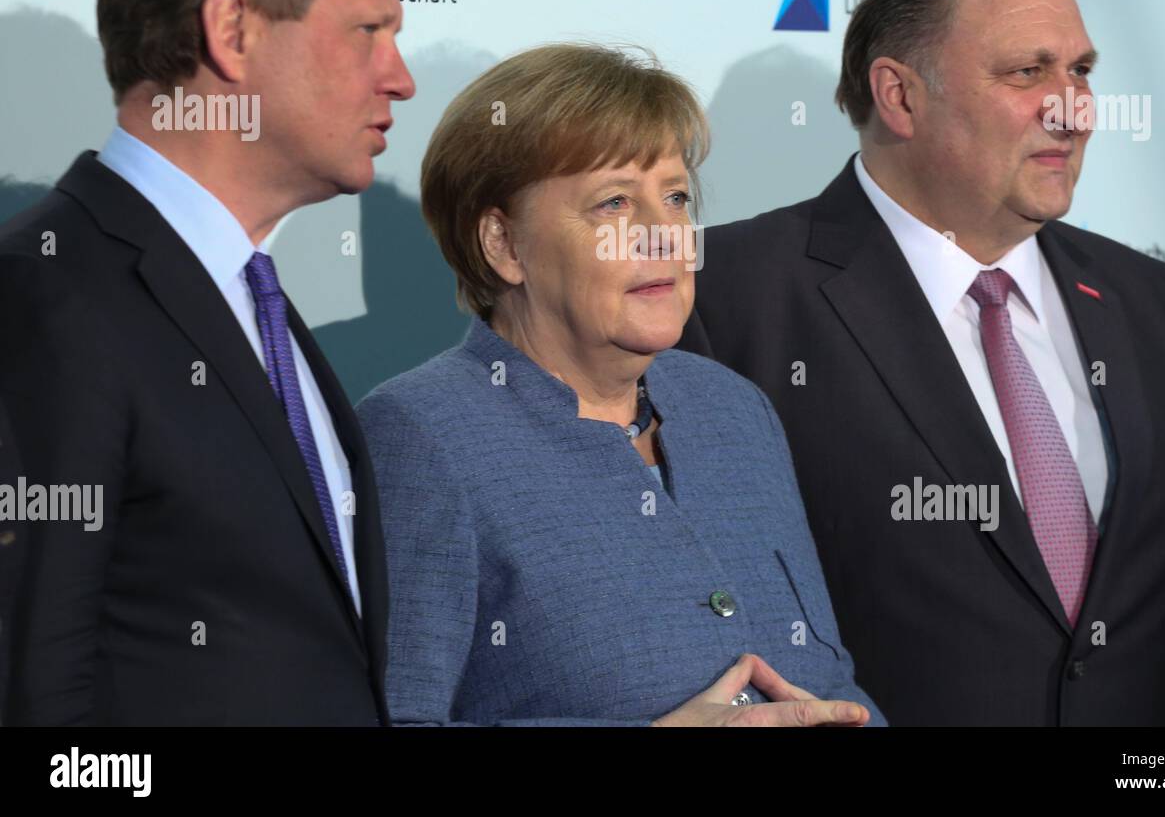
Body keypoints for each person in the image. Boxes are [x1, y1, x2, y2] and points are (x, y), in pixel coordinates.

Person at [679, 0, 1165, 726]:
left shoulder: (1148, 298)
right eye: (1028, 72)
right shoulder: (727, 298)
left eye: (1080, 71)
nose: (1072, 111)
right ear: (899, 95)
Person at [0, 0, 415, 725]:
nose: (400, 78)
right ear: (233, 30)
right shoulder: (45, 292)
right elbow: (34, 689)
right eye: (367, 32)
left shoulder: (248, 299)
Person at [358, 43, 884, 726]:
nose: (666, 235)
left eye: (675, 197)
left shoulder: (734, 409)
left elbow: (828, 678)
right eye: (613, 204)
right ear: (504, 246)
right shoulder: (420, 434)